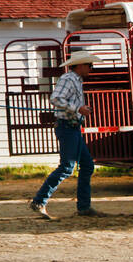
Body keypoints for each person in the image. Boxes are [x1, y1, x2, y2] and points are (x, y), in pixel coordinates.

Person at [31, 50, 102, 219]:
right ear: (80, 65)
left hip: (72, 127)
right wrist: (78, 108)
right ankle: (39, 201)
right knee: (67, 167)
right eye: (89, 65)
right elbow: (55, 98)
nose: (91, 68)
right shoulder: (68, 79)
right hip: (67, 127)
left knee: (86, 166)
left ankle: (84, 207)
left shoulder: (75, 80)